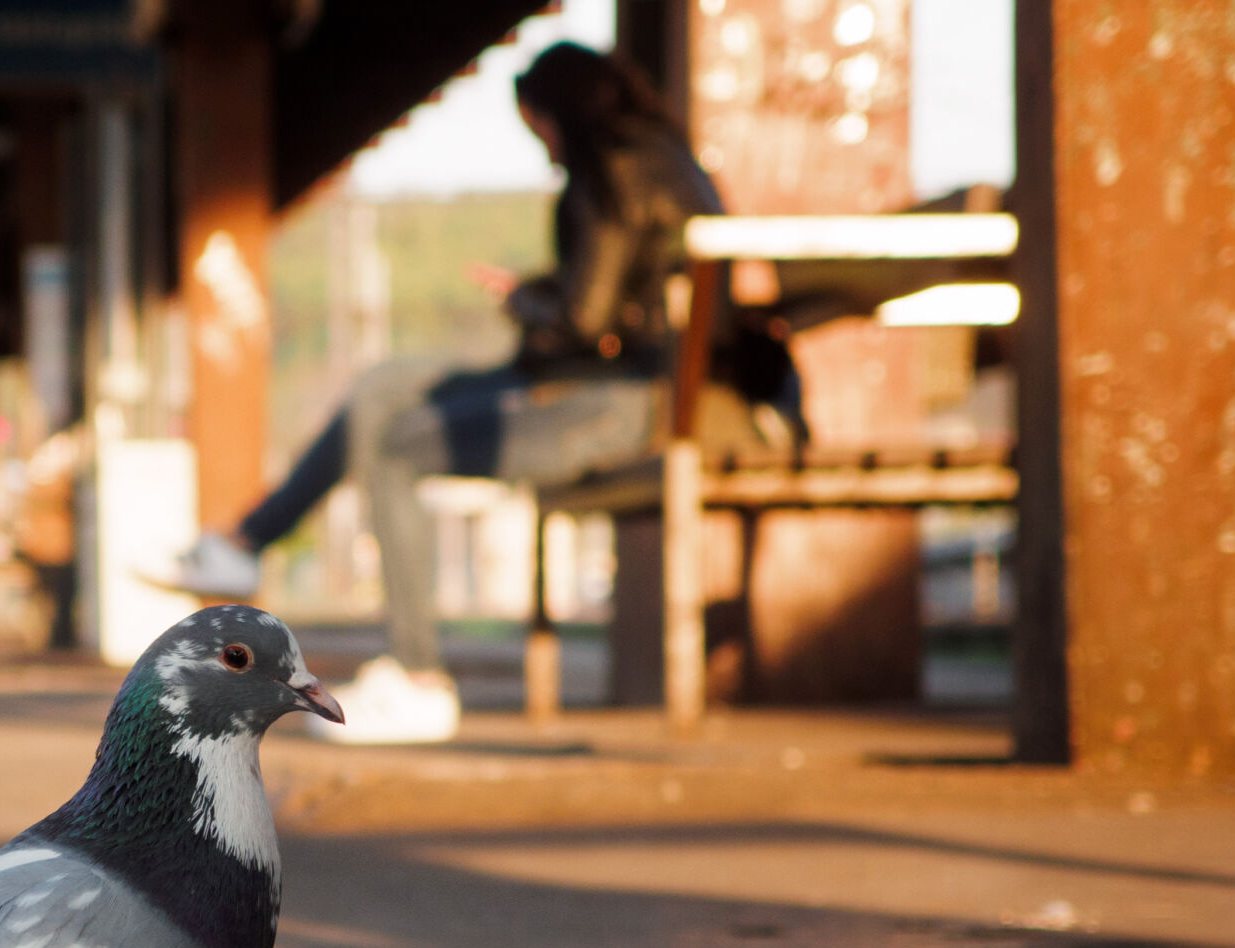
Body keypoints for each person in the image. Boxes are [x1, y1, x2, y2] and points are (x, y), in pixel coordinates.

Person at [160, 42, 797, 743]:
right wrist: (541, 297)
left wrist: (526, 299)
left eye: (540, 126)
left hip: (626, 398)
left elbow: (586, 322)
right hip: (621, 382)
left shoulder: (611, 166)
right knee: (380, 391)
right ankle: (248, 542)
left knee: (397, 449)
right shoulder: (657, 157)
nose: (543, 146)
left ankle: (419, 677)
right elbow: (618, 295)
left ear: (563, 111)